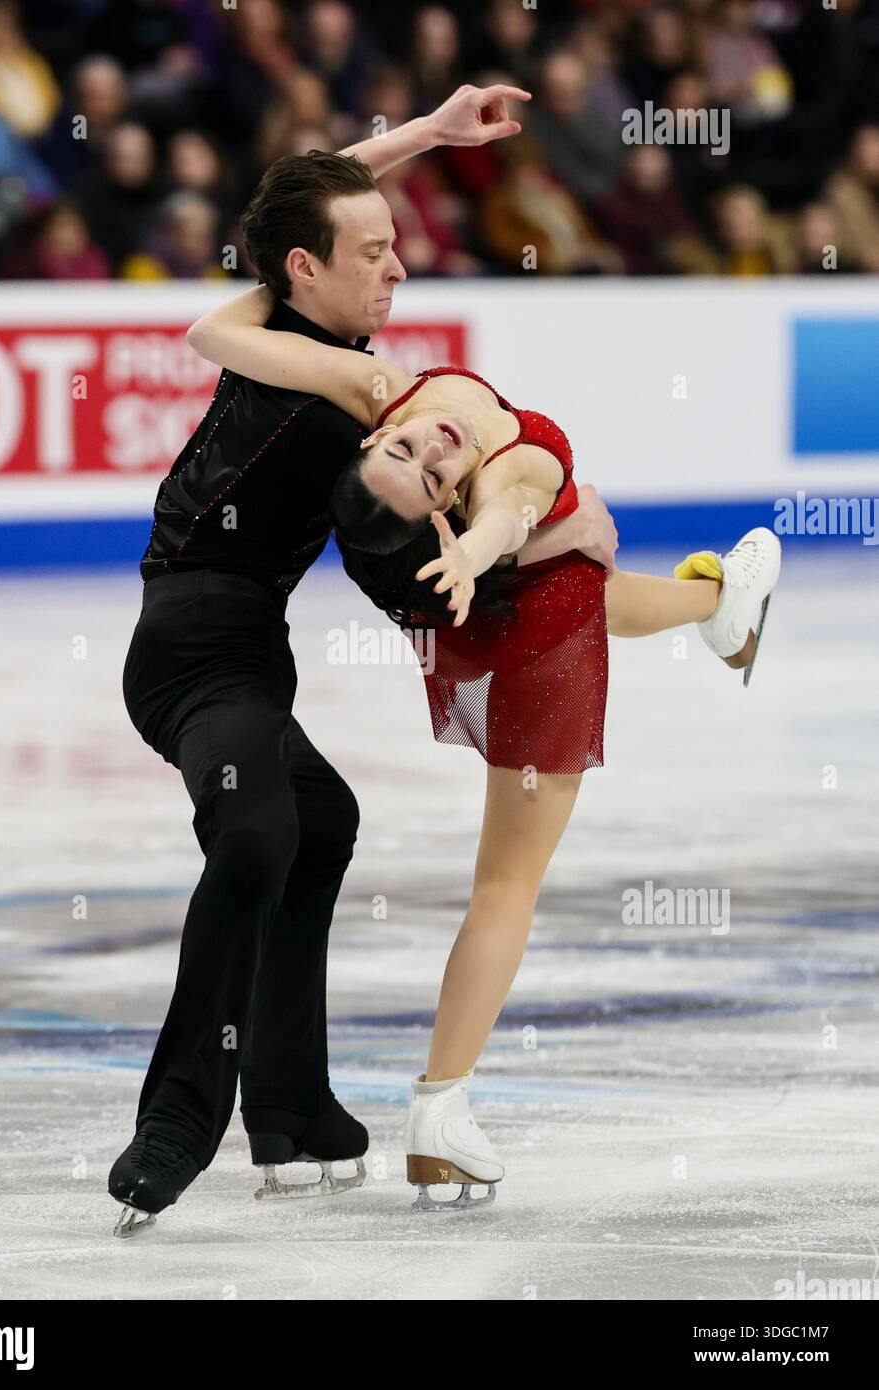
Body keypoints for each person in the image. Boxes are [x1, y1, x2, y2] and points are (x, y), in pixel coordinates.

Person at [185, 243, 782, 1209]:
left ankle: (718, 606)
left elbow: (213, 333)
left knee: (595, 578)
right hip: (525, 617)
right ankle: (440, 1111)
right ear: (440, 513)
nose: (428, 451)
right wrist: (483, 551)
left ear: (372, 435)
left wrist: (397, 158)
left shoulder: (382, 392)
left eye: (403, 450)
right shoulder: (516, 472)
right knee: (508, 879)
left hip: (509, 590)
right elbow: (510, 510)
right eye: (425, 479)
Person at [106, 83, 600, 1234]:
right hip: (186, 648)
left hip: (249, 652)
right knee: (261, 827)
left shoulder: (297, 334)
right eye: (374, 253)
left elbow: (302, 208)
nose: (399, 270)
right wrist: (556, 528)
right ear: (304, 271)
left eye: (395, 247)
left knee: (317, 822)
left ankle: (291, 1109)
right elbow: (300, 229)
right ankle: (181, 1118)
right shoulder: (333, 373)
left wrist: (428, 134)